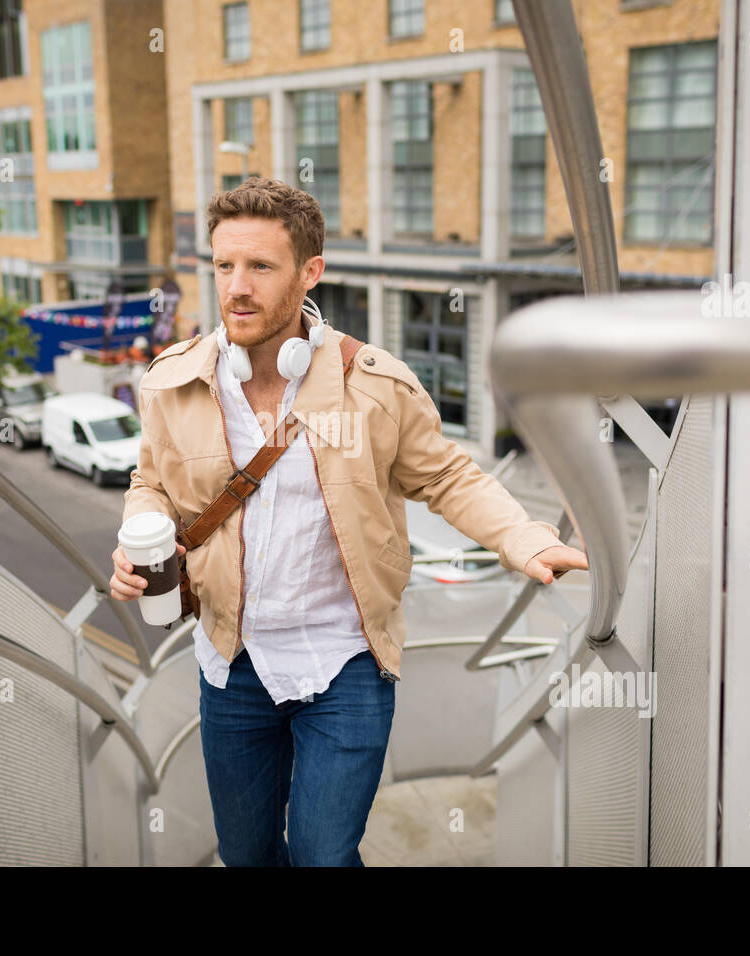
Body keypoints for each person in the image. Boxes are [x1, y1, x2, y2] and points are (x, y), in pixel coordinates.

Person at [109, 177, 588, 866]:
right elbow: (150, 482)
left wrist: (523, 536)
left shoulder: (377, 385)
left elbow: (446, 475)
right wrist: (138, 539)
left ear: (311, 272)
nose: (236, 287)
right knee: (245, 854)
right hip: (231, 659)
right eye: (223, 265)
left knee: (322, 854)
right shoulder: (173, 382)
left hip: (345, 661)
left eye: (260, 267)